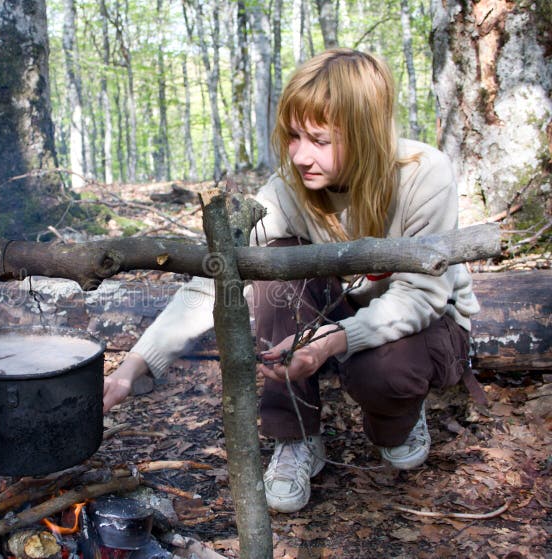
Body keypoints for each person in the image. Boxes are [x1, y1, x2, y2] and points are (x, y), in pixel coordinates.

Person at [102, 48, 481, 513]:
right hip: (338, 311)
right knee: (273, 264)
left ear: (364, 134)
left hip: (424, 325)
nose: (301, 155)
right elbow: (223, 277)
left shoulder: (426, 175)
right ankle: (296, 436)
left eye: (319, 139)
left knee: (381, 375)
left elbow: (420, 295)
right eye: (294, 136)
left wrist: (333, 341)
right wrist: (135, 365)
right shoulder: (287, 190)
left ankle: (399, 416)